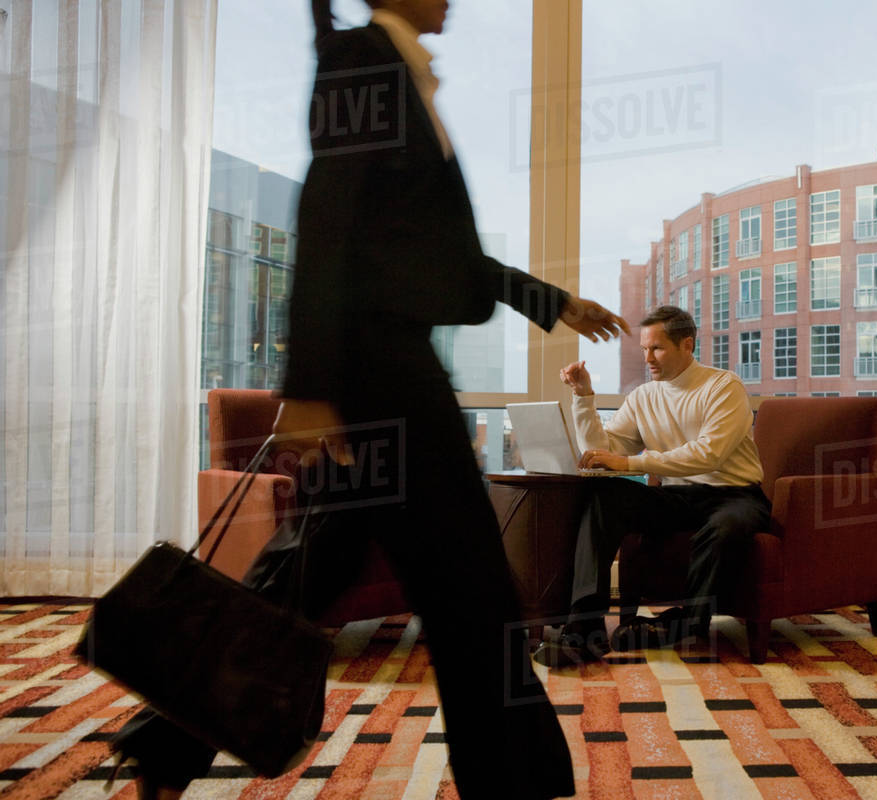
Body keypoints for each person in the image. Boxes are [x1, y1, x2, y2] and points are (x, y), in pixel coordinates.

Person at [111, 1, 628, 798]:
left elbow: (432, 249)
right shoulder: (363, 58)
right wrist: (312, 388)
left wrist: (549, 299)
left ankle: (166, 742)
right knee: (473, 593)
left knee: (304, 578)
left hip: (384, 364)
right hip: (381, 370)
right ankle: (517, 783)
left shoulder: (398, 72)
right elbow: (325, 216)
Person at [533, 305, 771, 668]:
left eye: (656, 348)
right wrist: (583, 397)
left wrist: (631, 463)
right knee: (605, 495)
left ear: (686, 345)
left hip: (734, 493)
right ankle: (584, 632)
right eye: (644, 349)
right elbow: (602, 451)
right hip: (679, 496)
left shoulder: (723, 387)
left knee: (726, 527)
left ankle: (685, 626)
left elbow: (709, 455)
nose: (648, 358)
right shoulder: (644, 396)